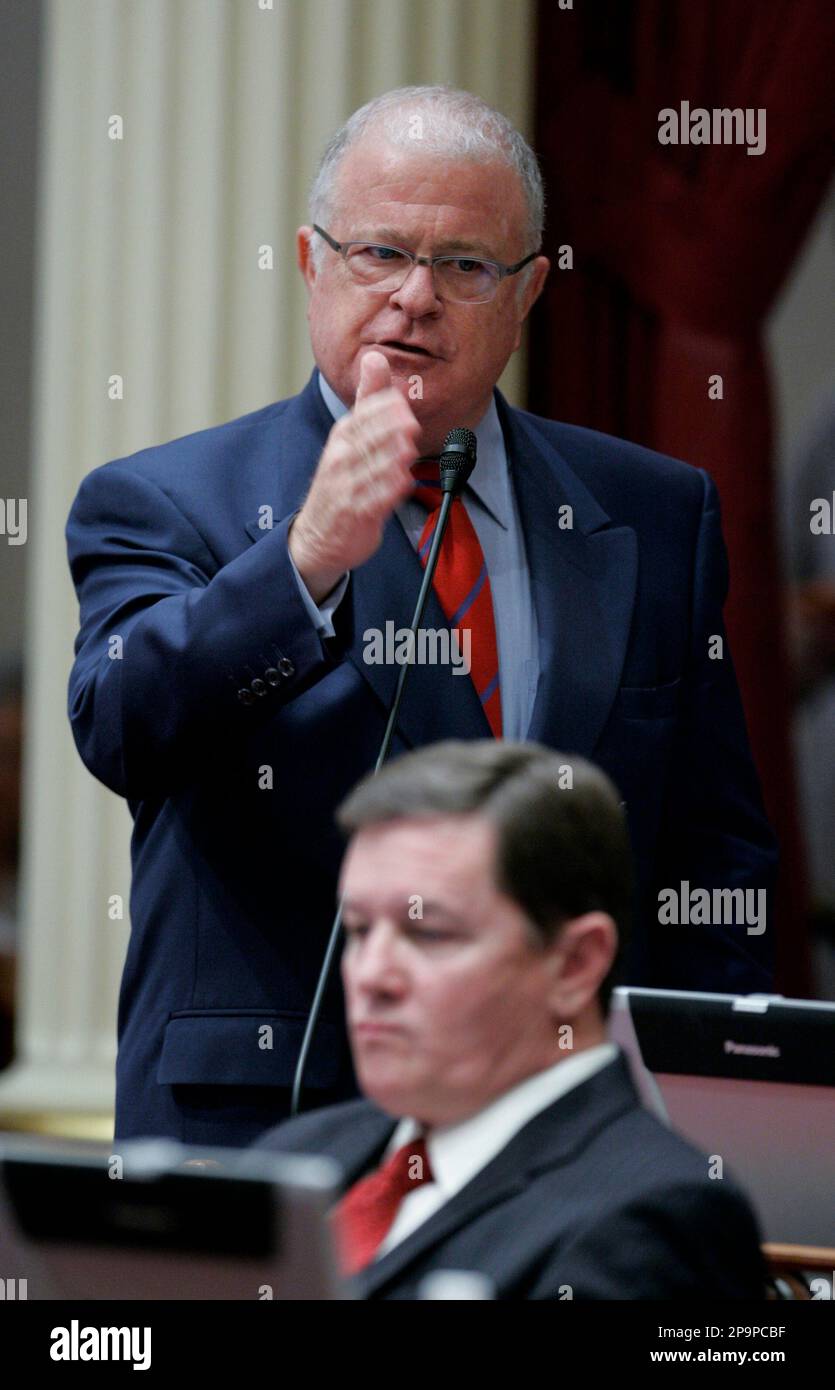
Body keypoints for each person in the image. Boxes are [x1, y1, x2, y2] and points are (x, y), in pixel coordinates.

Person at [65, 85, 777, 1149]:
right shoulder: (170, 498)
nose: (413, 298)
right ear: (311, 263)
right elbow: (123, 724)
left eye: (463, 266)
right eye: (378, 254)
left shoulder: (653, 512)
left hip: (570, 1140)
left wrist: (707, 1119)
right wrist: (302, 563)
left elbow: (710, 854)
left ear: (529, 288)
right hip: (278, 1120)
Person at [254, 739, 766, 1300]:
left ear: (574, 964)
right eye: (357, 930)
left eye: (428, 933)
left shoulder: (656, 1218)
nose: (371, 976)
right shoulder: (294, 1158)